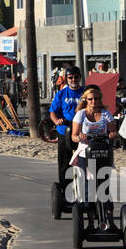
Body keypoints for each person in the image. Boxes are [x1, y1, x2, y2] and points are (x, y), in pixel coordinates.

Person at [70, 87, 117, 225]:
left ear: (100, 99)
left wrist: (112, 134)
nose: (93, 101)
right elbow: (73, 135)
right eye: (90, 99)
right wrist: (80, 137)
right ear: (86, 100)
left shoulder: (106, 114)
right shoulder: (80, 115)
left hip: (102, 152)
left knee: (104, 185)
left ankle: (109, 218)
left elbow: (113, 131)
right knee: (88, 185)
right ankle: (90, 218)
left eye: (96, 99)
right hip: (86, 152)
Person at [50, 66, 83, 195]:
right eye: (70, 77)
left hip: (82, 132)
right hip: (65, 131)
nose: (73, 79)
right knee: (65, 162)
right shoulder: (62, 94)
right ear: (67, 79)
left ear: (80, 77)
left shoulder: (86, 93)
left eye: (76, 77)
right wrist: (56, 121)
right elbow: (53, 112)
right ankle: (65, 190)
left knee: (85, 161)